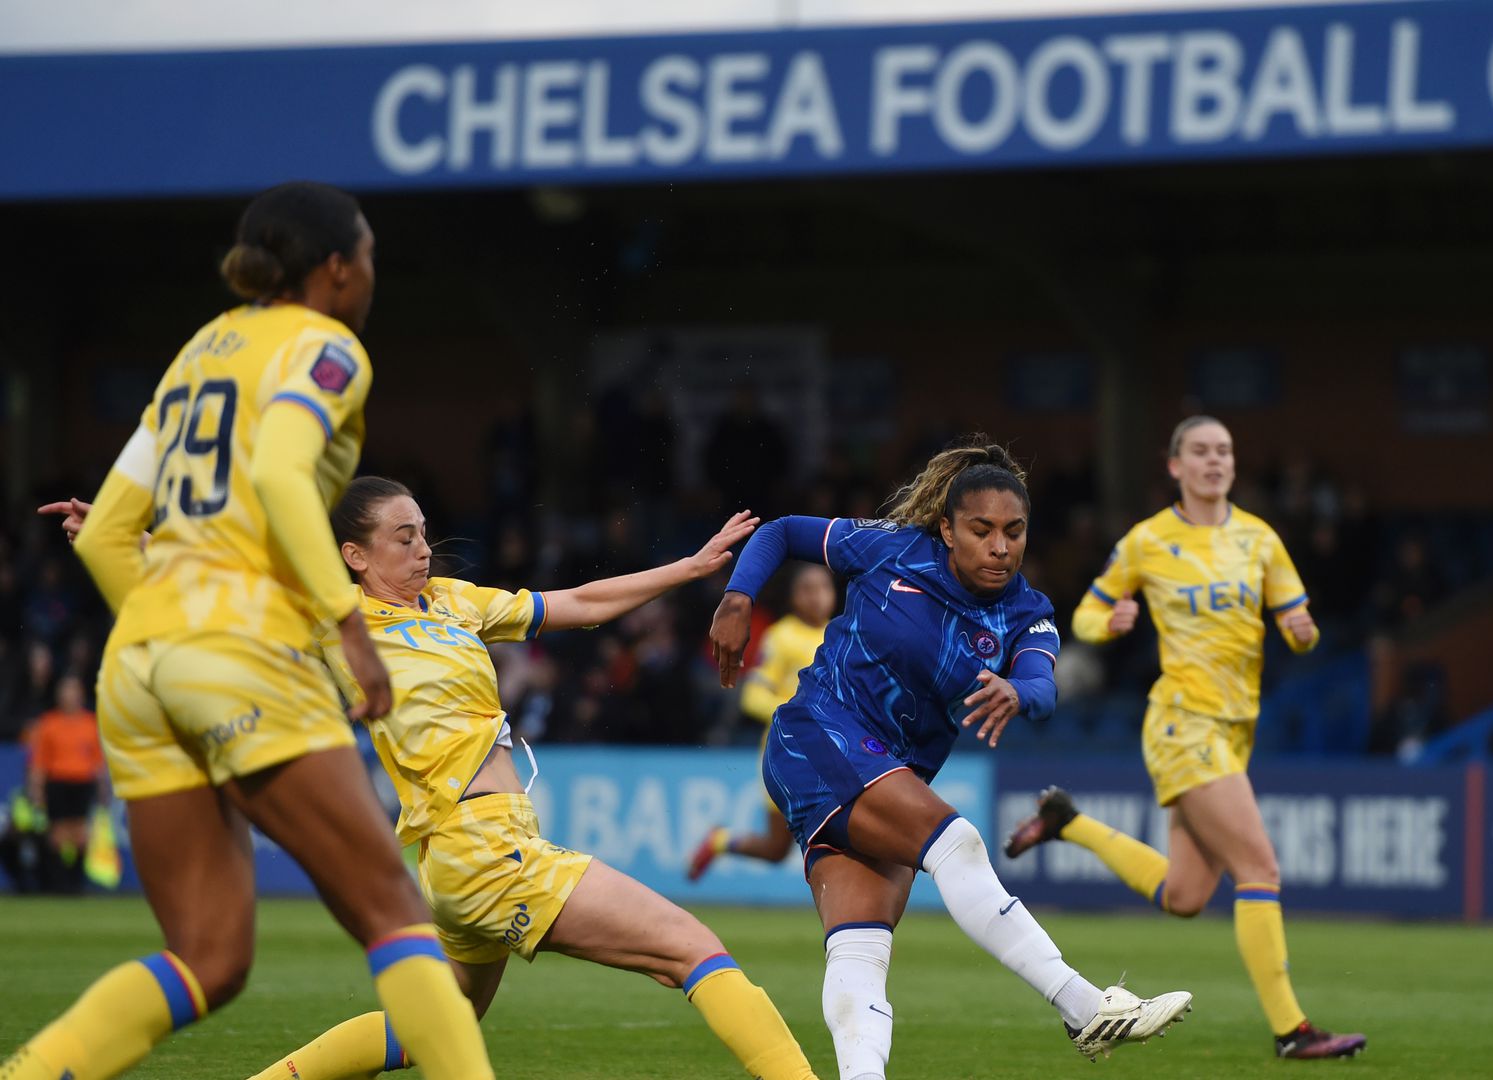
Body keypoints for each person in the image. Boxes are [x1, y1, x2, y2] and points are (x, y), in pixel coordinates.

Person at [52, 480, 825, 1080]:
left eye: (423, 533)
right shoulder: (337, 621)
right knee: (693, 949)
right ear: (355, 557)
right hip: (479, 848)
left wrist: (691, 567)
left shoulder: (452, 603)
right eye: (402, 537)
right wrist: (131, 540)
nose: (423, 548)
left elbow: (583, 603)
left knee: (433, 1022)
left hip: (465, 857)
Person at [4, 182, 497, 1080]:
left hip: (139, 663)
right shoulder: (329, 347)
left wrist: (175, 648)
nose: (375, 273)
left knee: (209, 958)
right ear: (337, 268)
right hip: (245, 656)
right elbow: (277, 473)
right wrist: (346, 627)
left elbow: (111, 531)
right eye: (372, 255)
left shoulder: (201, 351)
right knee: (397, 915)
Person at [708, 439, 1193, 1077]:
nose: (1000, 547)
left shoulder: (1028, 614)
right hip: (815, 735)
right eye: (982, 530)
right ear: (947, 528)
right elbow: (781, 533)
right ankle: (1083, 1007)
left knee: (860, 952)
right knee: (957, 843)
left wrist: (1019, 690)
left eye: (1014, 532)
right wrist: (740, 596)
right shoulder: (892, 547)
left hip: (883, 772)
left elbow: (1043, 687)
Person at [1004, 415, 1366, 1061]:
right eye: (1200, 450)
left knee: (1186, 897)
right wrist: (1110, 622)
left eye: (1224, 450)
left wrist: (1303, 631)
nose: (1214, 460)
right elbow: (1086, 614)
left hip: (1234, 727)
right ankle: (1293, 1030)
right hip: (1181, 722)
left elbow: (1297, 624)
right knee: (1260, 867)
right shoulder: (1148, 541)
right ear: (1175, 466)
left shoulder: (1260, 539)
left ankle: (1068, 824)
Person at [689, 563, 836, 880]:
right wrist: (798, 713)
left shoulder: (840, 635)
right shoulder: (781, 637)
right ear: (795, 597)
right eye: (807, 589)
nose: (817, 597)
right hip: (786, 753)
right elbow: (752, 696)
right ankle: (720, 840)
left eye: (823, 588)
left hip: (833, 751)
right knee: (776, 849)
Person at [25, 674, 107, 894]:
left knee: (81, 833)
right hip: (58, 782)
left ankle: (76, 882)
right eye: (65, 690)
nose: (69, 695)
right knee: (58, 834)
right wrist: (37, 789)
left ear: (81, 694)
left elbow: (99, 763)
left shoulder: (90, 723)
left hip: (83, 782)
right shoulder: (49, 723)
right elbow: (39, 763)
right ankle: (58, 885)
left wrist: (103, 791)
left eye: (74, 690)